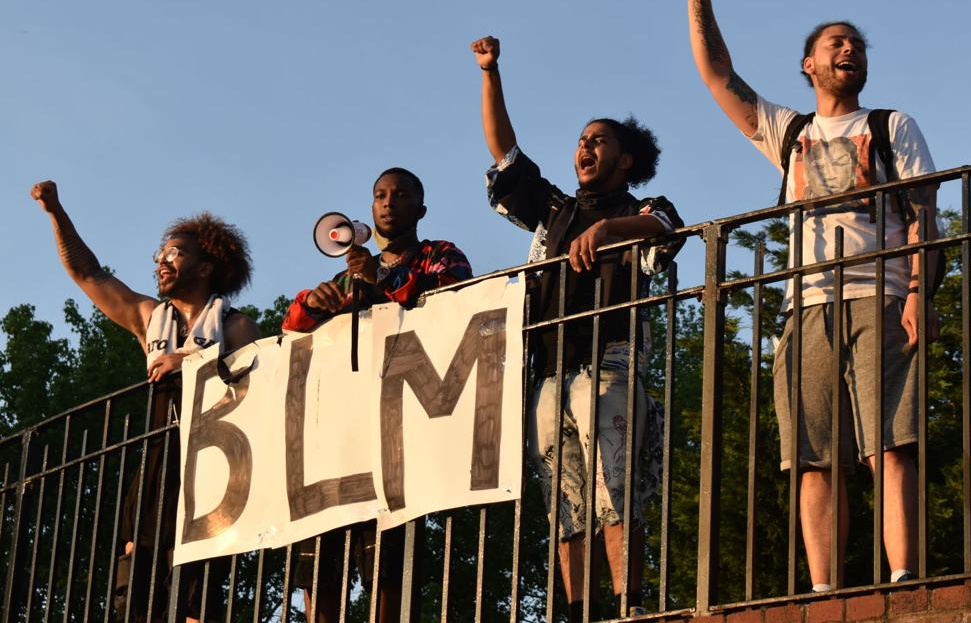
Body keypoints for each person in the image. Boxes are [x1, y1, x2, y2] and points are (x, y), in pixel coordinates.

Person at [681, 0, 943, 591]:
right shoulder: (788, 131)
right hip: (808, 310)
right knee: (812, 456)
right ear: (809, 64)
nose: (849, 50)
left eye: (857, 45)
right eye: (836, 43)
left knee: (891, 443)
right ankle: (824, 591)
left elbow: (925, 215)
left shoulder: (890, 126)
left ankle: (903, 577)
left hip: (879, 296)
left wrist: (917, 292)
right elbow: (719, 78)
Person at [470, 35, 683, 621]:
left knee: (615, 490)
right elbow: (506, 156)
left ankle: (628, 605)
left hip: (609, 361)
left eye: (599, 140)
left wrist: (609, 232)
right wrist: (491, 73)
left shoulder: (642, 206)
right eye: (582, 140)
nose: (586, 147)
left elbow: (665, 227)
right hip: (549, 372)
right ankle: (577, 610)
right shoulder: (557, 209)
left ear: (626, 159)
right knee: (564, 502)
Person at [30, 180, 259, 623]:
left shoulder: (235, 327)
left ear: (206, 267)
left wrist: (191, 363)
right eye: (160, 254)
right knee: (135, 590)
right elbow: (89, 274)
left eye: (175, 253)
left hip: (211, 469)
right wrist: (55, 211)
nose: (162, 262)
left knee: (195, 596)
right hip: (157, 468)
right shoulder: (151, 318)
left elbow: (252, 393)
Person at [281, 166, 472, 623]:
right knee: (322, 557)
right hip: (342, 438)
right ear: (370, 208)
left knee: (389, 561)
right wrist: (315, 303)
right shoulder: (351, 276)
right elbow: (290, 331)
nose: (389, 202)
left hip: (402, 430)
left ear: (420, 209)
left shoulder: (440, 254)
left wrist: (383, 282)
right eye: (381, 195)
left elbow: (452, 301)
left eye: (401, 194)